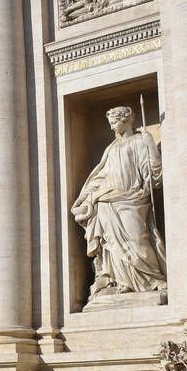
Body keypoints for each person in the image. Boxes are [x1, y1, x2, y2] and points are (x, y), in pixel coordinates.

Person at [71, 105, 167, 299]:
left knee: (137, 238)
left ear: (126, 120)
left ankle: (153, 278)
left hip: (132, 197)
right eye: (110, 123)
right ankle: (120, 281)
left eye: (114, 122)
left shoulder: (141, 140)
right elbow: (100, 176)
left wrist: (151, 147)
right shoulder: (111, 147)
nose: (112, 127)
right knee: (111, 244)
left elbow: (153, 174)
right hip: (106, 200)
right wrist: (82, 199)